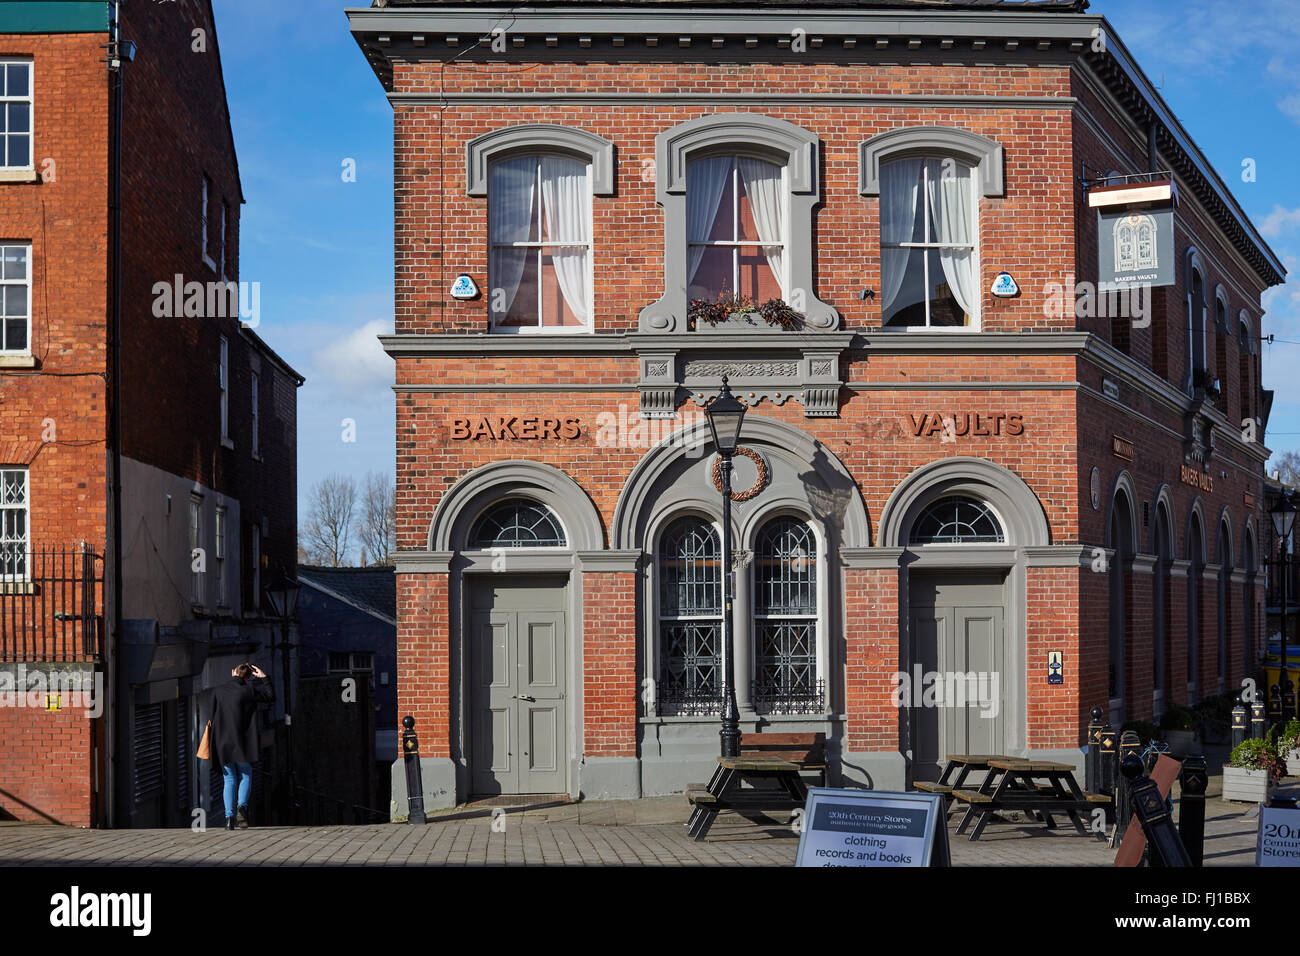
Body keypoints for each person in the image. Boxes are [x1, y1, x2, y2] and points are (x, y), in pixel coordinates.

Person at [209, 662, 274, 830]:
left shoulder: (218, 691)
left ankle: (229, 819)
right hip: (242, 743)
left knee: (228, 779)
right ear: (249, 677)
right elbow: (270, 697)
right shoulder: (249, 691)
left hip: (222, 742)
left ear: (233, 672)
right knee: (245, 774)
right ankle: (242, 808)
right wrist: (264, 678)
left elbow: (212, 717)